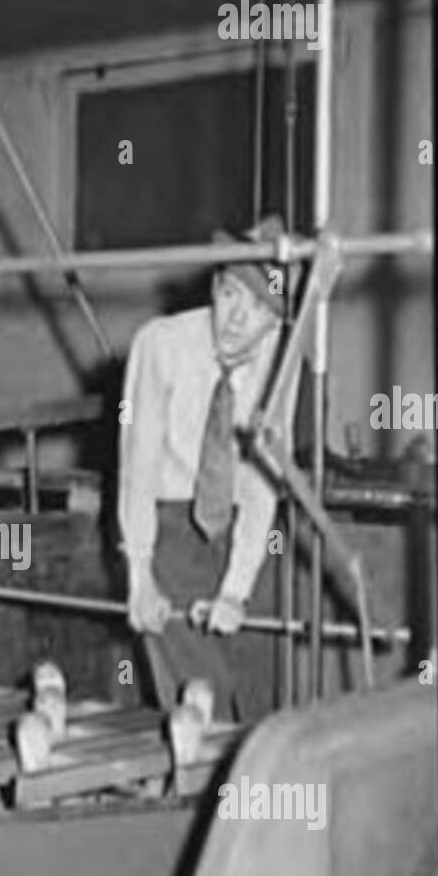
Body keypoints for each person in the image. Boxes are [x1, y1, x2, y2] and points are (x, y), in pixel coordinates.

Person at [118, 215, 297, 723]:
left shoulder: (281, 357)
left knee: (261, 710)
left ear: (278, 320)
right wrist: (141, 575)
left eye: (261, 307)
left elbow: (263, 484)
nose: (239, 319)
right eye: (232, 295)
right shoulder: (159, 344)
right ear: (216, 287)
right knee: (197, 703)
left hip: (246, 526)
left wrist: (237, 590)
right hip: (170, 525)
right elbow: (139, 465)